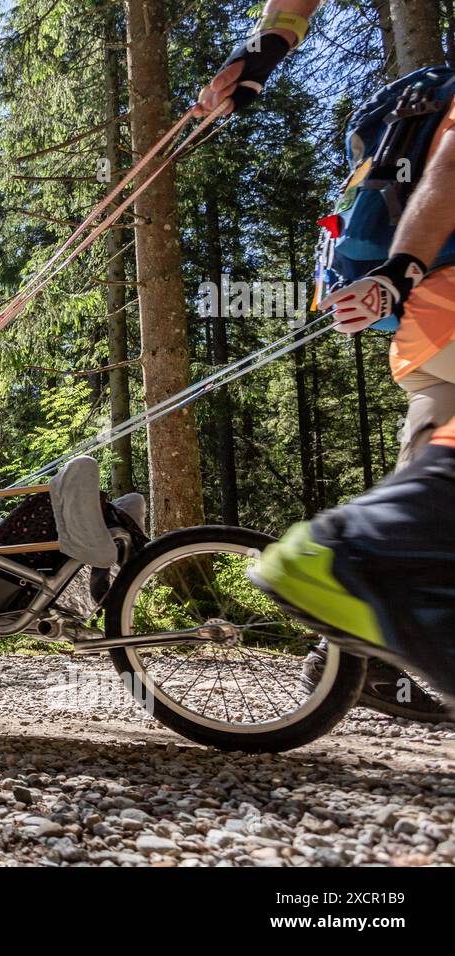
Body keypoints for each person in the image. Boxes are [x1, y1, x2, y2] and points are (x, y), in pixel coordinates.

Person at [195, 3, 455, 704]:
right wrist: (399, 273)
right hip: (435, 302)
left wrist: (270, 43)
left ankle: (370, 659)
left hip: (430, 323)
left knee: (429, 475)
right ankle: (351, 562)